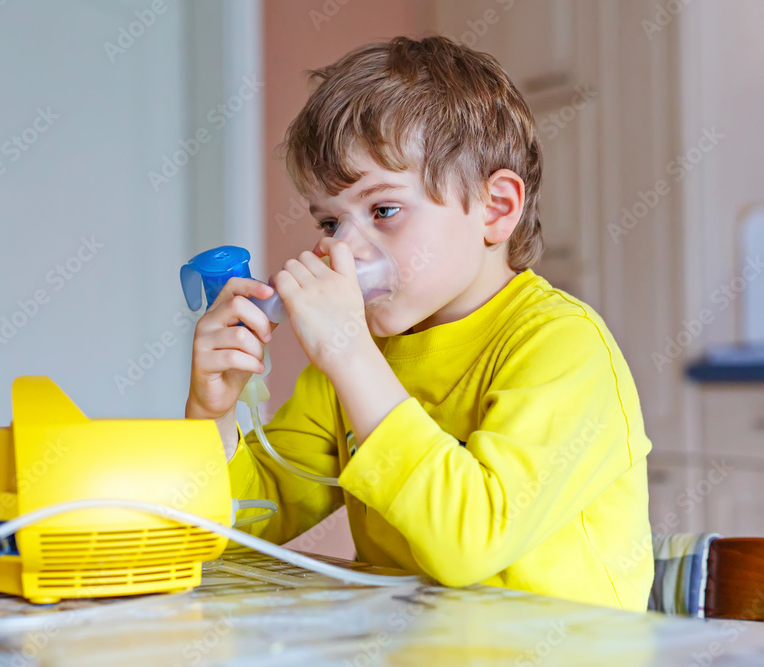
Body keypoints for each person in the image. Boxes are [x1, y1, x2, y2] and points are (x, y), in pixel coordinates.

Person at [184, 35, 653, 611]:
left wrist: (352, 356)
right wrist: (214, 412)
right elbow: (227, 533)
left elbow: (469, 544)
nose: (346, 251)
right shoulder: (358, 355)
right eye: (330, 223)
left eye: (384, 211)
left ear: (496, 208)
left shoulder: (562, 349)